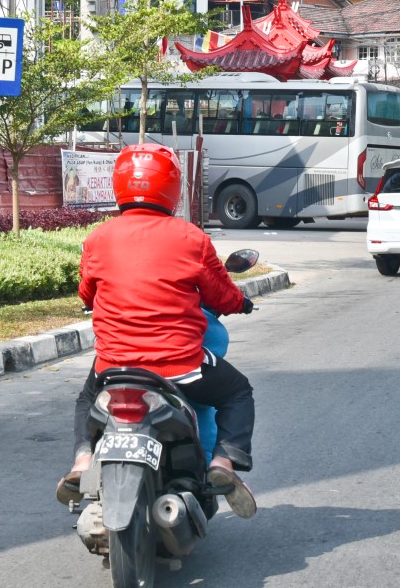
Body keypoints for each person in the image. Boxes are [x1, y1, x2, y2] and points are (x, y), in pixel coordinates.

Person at [57, 143, 259, 518]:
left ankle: (83, 461)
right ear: (172, 188)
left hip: (114, 368)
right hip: (181, 368)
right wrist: (241, 303)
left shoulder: (98, 238)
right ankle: (225, 463)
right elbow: (222, 294)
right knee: (237, 393)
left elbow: (86, 290)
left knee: (86, 399)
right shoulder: (192, 239)